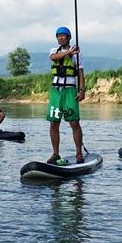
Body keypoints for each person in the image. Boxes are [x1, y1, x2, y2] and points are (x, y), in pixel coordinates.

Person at [47, 26, 86, 164]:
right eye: (58, 36)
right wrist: (69, 52)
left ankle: (79, 153)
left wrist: (82, 90)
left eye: (63, 36)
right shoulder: (54, 50)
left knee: (74, 122)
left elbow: (80, 72)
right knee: (54, 123)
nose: (61, 38)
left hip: (70, 90)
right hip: (56, 91)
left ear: (68, 38)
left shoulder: (77, 54)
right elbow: (53, 58)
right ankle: (55, 153)